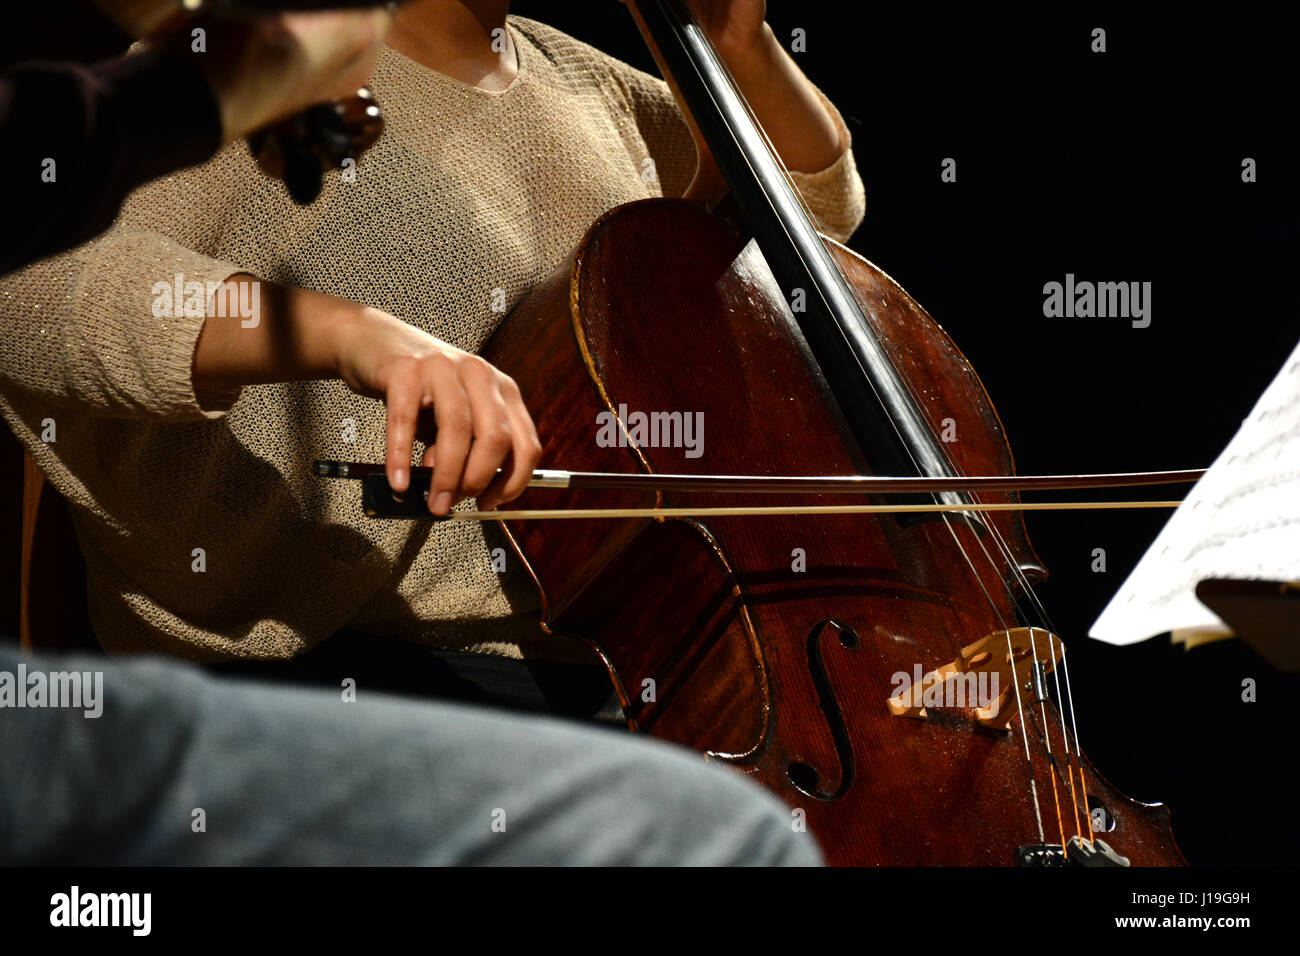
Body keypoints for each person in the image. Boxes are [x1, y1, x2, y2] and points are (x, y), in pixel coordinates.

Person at [0, 0, 823, 867]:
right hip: (340, 674)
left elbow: (808, 220)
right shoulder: (276, 49)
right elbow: (33, 279)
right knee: (736, 843)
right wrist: (354, 335)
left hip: (605, 665)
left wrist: (742, 45)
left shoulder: (588, 85)